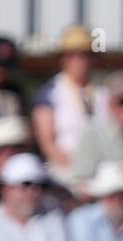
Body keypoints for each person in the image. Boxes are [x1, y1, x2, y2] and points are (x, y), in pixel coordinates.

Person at [33, 25, 107, 181]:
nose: (81, 61)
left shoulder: (102, 93)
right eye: (74, 55)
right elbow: (47, 142)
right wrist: (75, 169)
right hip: (64, 174)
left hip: (101, 172)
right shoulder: (51, 92)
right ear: (64, 58)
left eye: (86, 55)